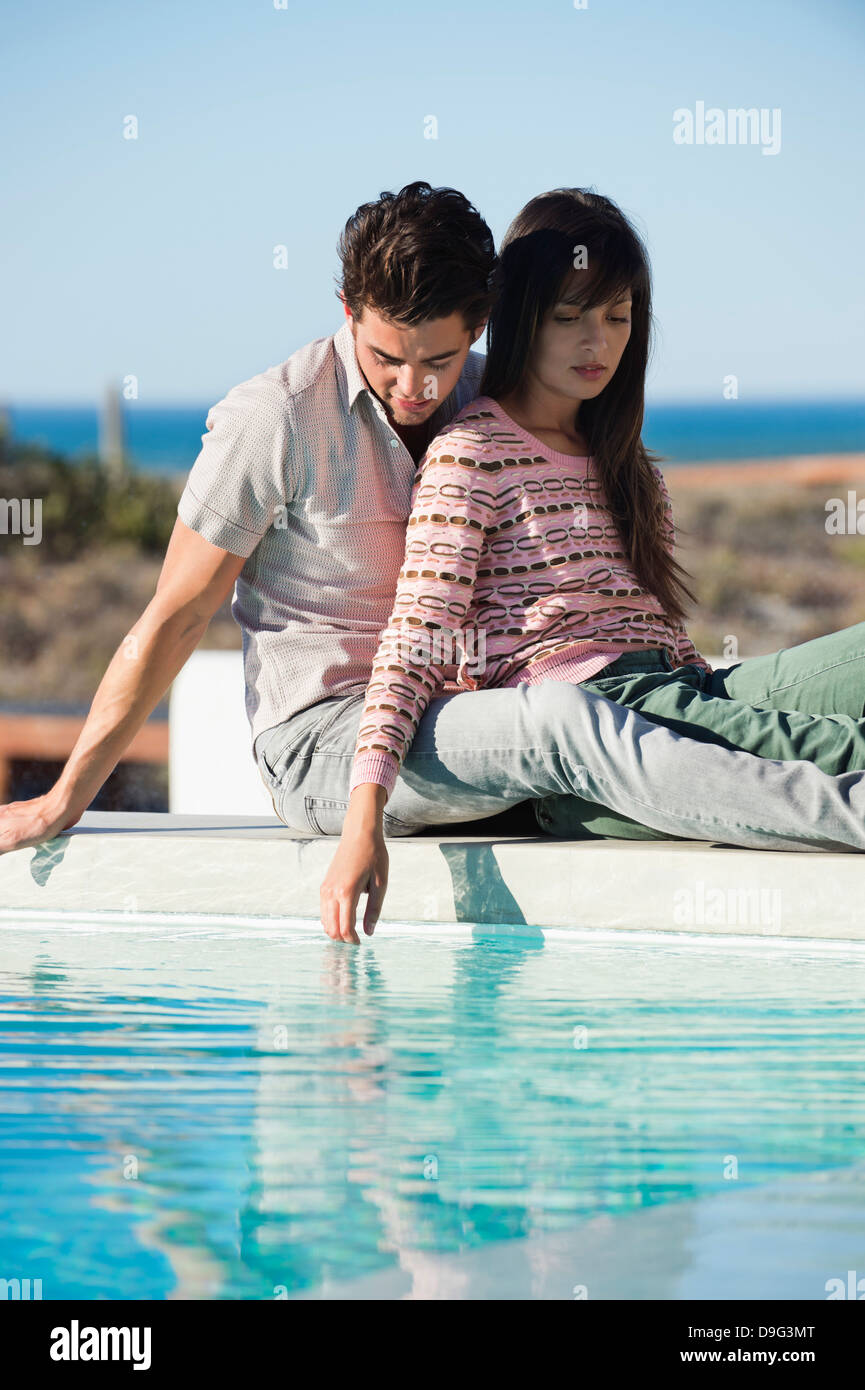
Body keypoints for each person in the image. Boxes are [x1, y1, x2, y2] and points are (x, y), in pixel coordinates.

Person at [4, 182, 865, 934]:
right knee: (562, 716)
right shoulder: (273, 419)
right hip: (325, 744)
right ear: (347, 308)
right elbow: (177, 613)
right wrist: (68, 795)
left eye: (439, 359)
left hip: (455, 717)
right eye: (386, 357)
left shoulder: (486, 393)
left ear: (479, 326)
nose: (414, 386)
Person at [321, 184, 865, 941]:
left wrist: (705, 690)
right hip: (599, 718)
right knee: (828, 749)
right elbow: (413, 642)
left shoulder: (623, 460)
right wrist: (363, 818)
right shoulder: (469, 454)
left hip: (679, 690)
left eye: (616, 317)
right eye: (568, 317)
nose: (596, 343)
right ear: (520, 320)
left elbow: (659, 628)